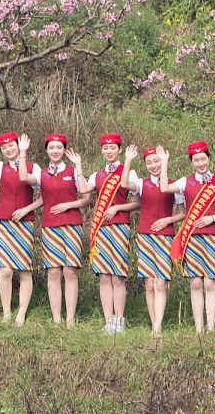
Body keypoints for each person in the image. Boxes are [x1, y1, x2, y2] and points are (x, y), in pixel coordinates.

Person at [0, 113, 41, 326]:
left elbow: (45, 197)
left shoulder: (34, 167)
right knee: (5, 270)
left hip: (25, 223)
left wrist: (26, 209)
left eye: (11, 145)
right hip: (4, 223)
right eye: (4, 148)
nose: (8, 149)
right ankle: (6, 312)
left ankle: (21, 313)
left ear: (19, 146)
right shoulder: (1, 168)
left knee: (24, 270)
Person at [20, 133, 88, 327]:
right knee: (53, 272)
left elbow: (87, 198)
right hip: (50, 227)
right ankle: (57, 318)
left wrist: (68, 205)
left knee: (70, 271)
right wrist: (22, 152)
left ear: (64, 150)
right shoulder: (42, 174)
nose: (55, 151)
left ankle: (70, 319)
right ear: (46, 150)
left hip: (72, 225)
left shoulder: (72, 171)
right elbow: (23, 177)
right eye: (51, 147)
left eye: (59, 147)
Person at [161, 141, 215, 333]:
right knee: (196, 282)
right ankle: (199, 328)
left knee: (210, 281)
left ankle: (211, 328)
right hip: (191, 238)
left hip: (212, 237)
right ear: (191, 161)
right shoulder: (185, 182)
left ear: (209, 159)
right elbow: (164, 187)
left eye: (203, 159)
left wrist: (212, 218)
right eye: (196, 160)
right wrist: (164, 162)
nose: (200, 163)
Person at [78, 135, 139, 334]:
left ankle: (119, 321)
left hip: (120, 226)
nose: (109, 151)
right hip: (101, 228)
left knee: (118, 275)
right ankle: (108, 321)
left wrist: (118, 207)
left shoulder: (129, 172)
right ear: (102, 151)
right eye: (105, 148)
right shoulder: (97, 174)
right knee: (104, 275)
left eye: (112, 147)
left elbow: (137, 203)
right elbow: (83, 190)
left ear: (119, 150)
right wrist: (78, 165)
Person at [131, 146, 184, 336]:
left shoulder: (173, 185)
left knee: (161, 282)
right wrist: (128, 159)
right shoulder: (141, 183)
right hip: (144, 235)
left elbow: (182, 214)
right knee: (149, 283)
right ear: (145, 165)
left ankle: (157, 326)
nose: (153, 165)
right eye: (149, 162)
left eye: (157, 161)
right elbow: (124, 184)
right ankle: (155, 325)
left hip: (165, 236)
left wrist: (167, 220)